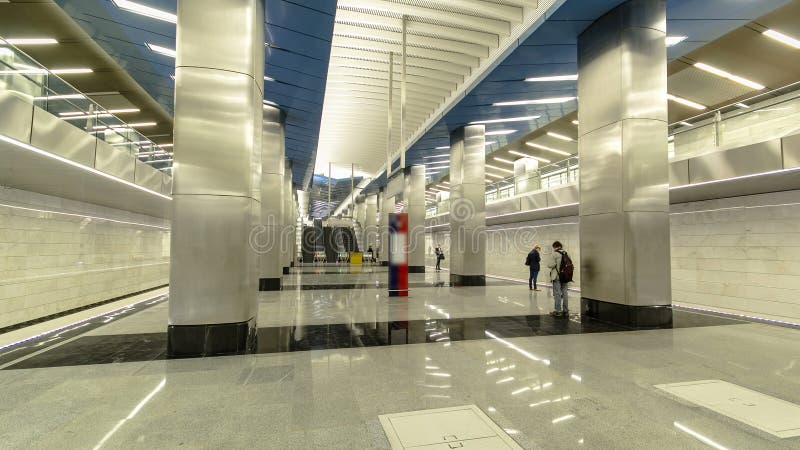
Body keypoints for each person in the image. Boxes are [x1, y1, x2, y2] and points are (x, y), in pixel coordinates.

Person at [547, 241, 570, 317]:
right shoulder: (566, 253)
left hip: (557, 276)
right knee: (565, 293)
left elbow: (550, 265)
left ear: (555, 246)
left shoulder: (555, 254)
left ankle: (558, 311)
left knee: (557, 294)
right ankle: (566, 311)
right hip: (565, 276)